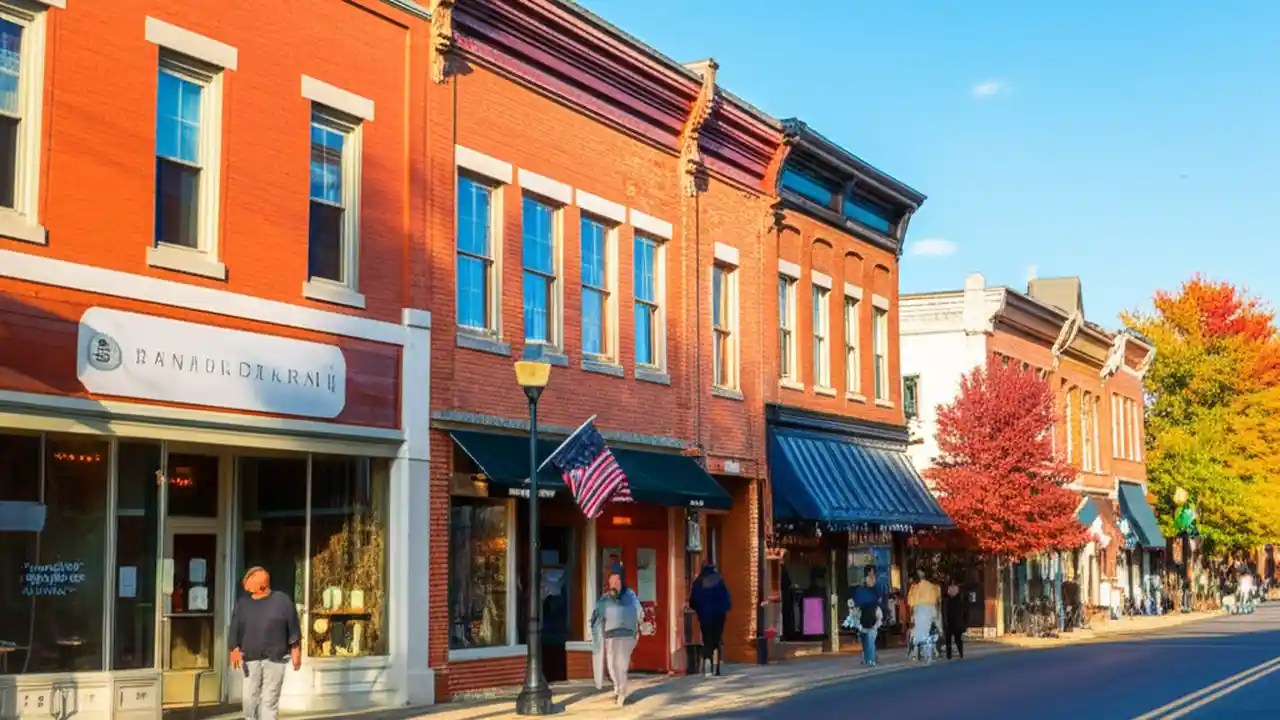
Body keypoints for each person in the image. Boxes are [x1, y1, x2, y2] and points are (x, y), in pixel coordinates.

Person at [229, 567, 301, 720]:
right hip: (250, 658)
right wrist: (233, 649)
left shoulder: (282, 600)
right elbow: (235, 627)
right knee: (249, 698)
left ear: (263, 583)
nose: (248, 586)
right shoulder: (242, 604)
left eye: (252, 581)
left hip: (275, 658)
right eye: (248, 582)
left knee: (269, 700)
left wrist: (295, 650)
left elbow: (293, 625)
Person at [590, 564, 641, 707]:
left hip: (627, 635)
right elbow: (596, 616)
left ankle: (622, 694)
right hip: (610, 636)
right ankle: (618, 686)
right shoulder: (605, 598)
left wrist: (639, 627)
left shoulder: (630, 595)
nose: (613, 584)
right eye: (611, 581)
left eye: (616, 581)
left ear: (621, 581)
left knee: (621, 665)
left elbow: (639, 612)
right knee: (612, 665)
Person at [689, 563, 732, 677]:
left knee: (707, 639)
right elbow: (727, 600)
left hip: (705, 616)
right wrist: (724, 608)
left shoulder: (699, 583)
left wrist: (699, 609)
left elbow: (693, 600)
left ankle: (707, 666)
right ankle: (716, 667)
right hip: (719, 615)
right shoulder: (719, 582)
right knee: (716, 640)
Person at [907, 569, 940, 664]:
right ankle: (927, 655)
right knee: (927, 634)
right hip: (930, 610)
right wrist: (936, 615)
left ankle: (916, 655)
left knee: (918, 634)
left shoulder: (914, 587)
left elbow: (911, 603)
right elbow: (936, 602)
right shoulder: (932, 586)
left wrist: (912, 616)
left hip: (919, 611)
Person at [851, 572, 882, 666]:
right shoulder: (871, 592)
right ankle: (870, 658)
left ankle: (870, 659)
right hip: (868, 617)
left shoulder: (862, 592)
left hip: (868, 618)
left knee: (868, 641)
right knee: (868, 641)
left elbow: (856, 606)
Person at [942, 582, 967, 660]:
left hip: (956, 622)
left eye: (953, 590)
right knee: (948, 640)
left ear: (956, 591)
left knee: (957, 639)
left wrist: (964, 622)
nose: (951, 592)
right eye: (950, 590)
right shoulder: (946, 600)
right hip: (948, 622)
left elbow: (964, 612)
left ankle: (960, 654)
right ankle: (949, 655)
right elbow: (943, 611)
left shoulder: (960, 600)